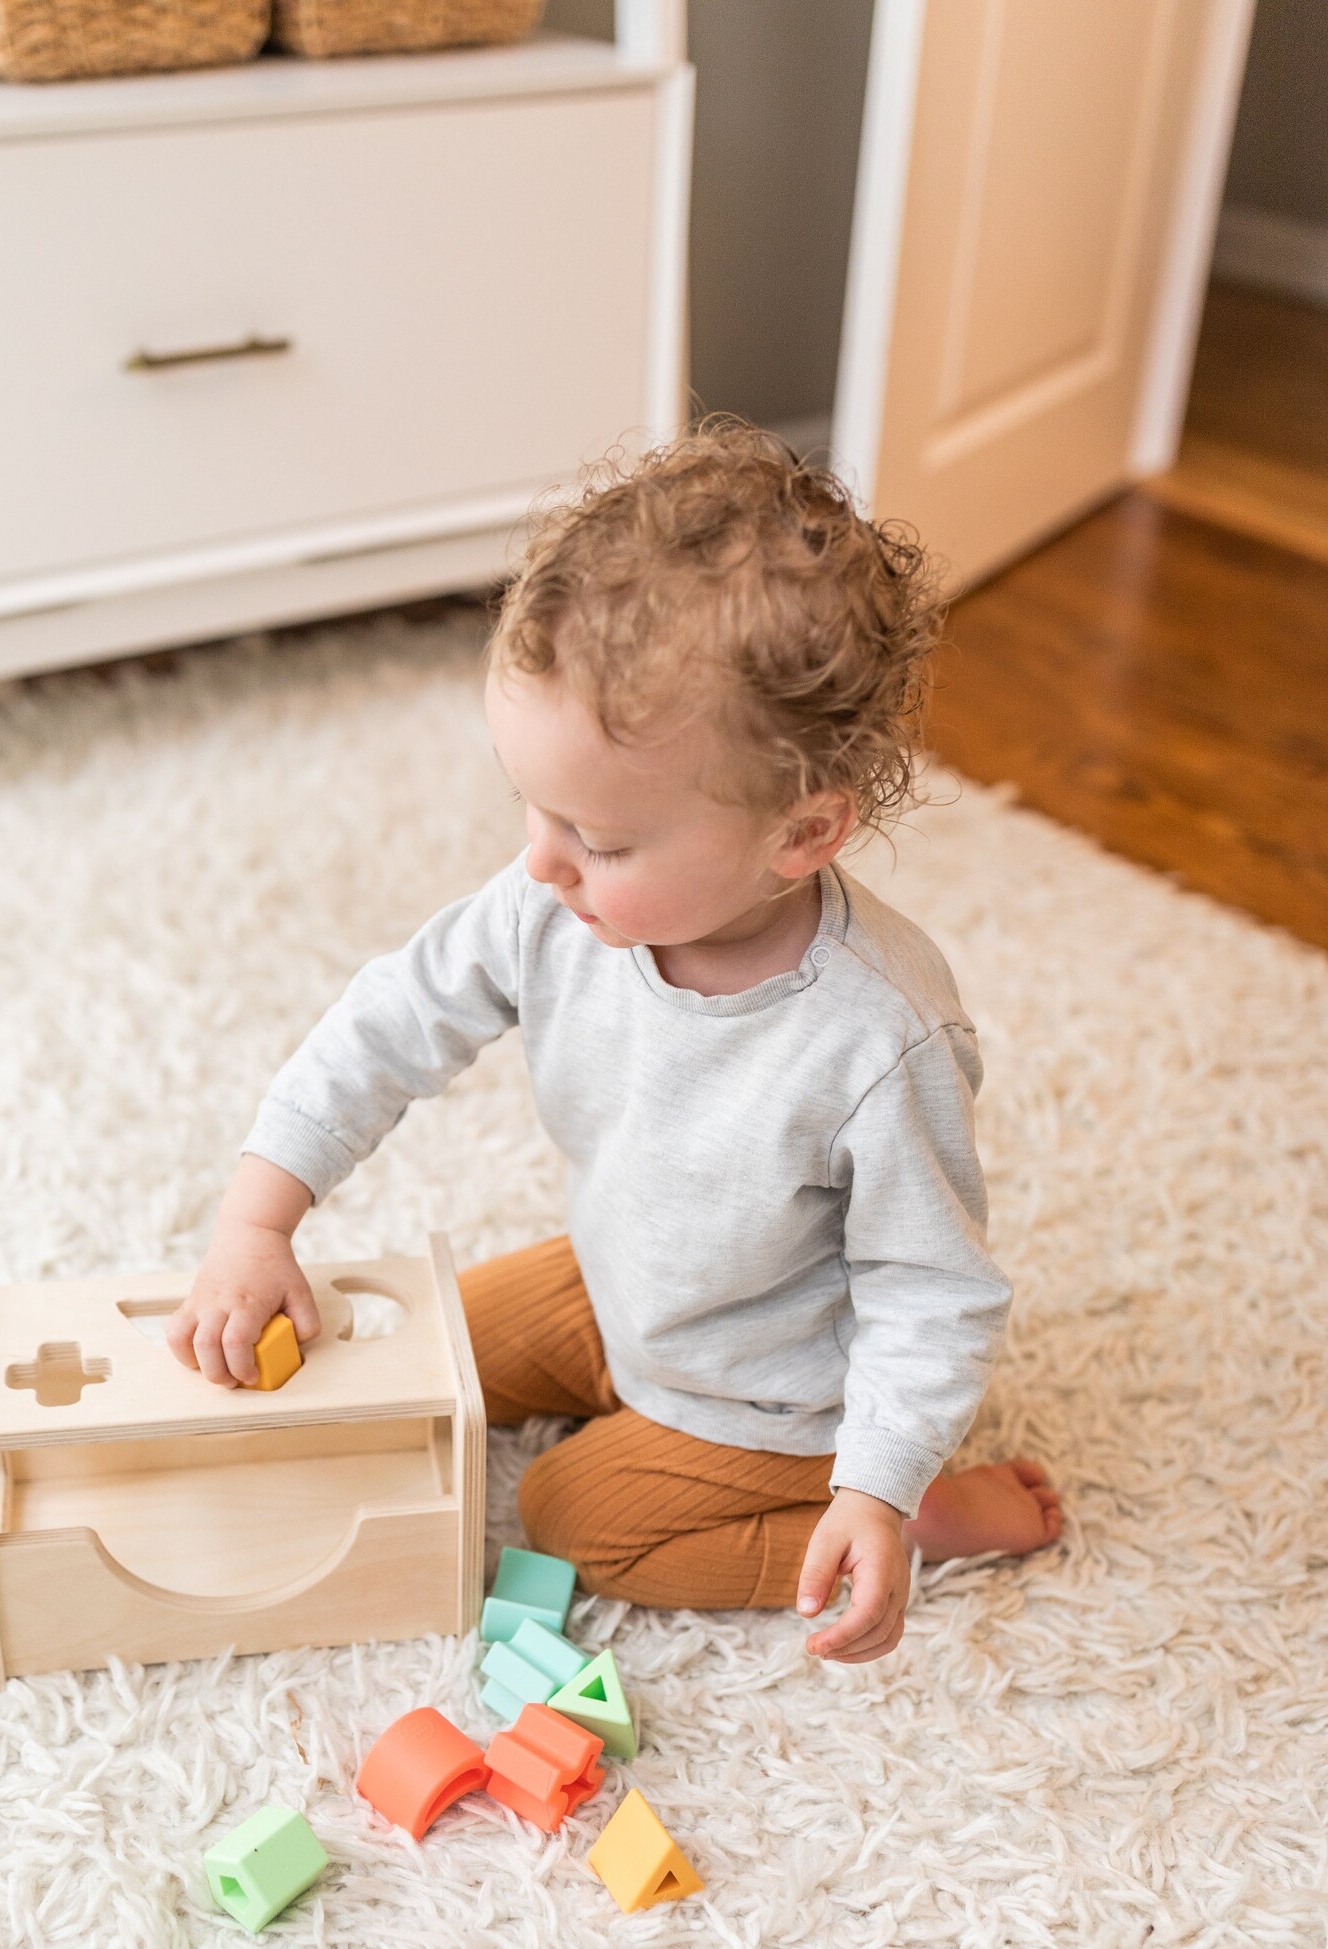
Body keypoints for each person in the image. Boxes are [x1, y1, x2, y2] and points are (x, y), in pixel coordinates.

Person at [168, 419, 1061, 1664]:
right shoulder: (551, 899)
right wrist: (258, 1219)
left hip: (765, 1388)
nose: (541, 861)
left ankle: (916, 1522)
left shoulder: (877, 1038)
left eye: (600, 838)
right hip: (625, 1278)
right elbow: (391, 1020)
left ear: (798, 838)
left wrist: (880, 1481)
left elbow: (931, 1289)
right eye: (533, 808)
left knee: (570, 1514)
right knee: (417, 1344)